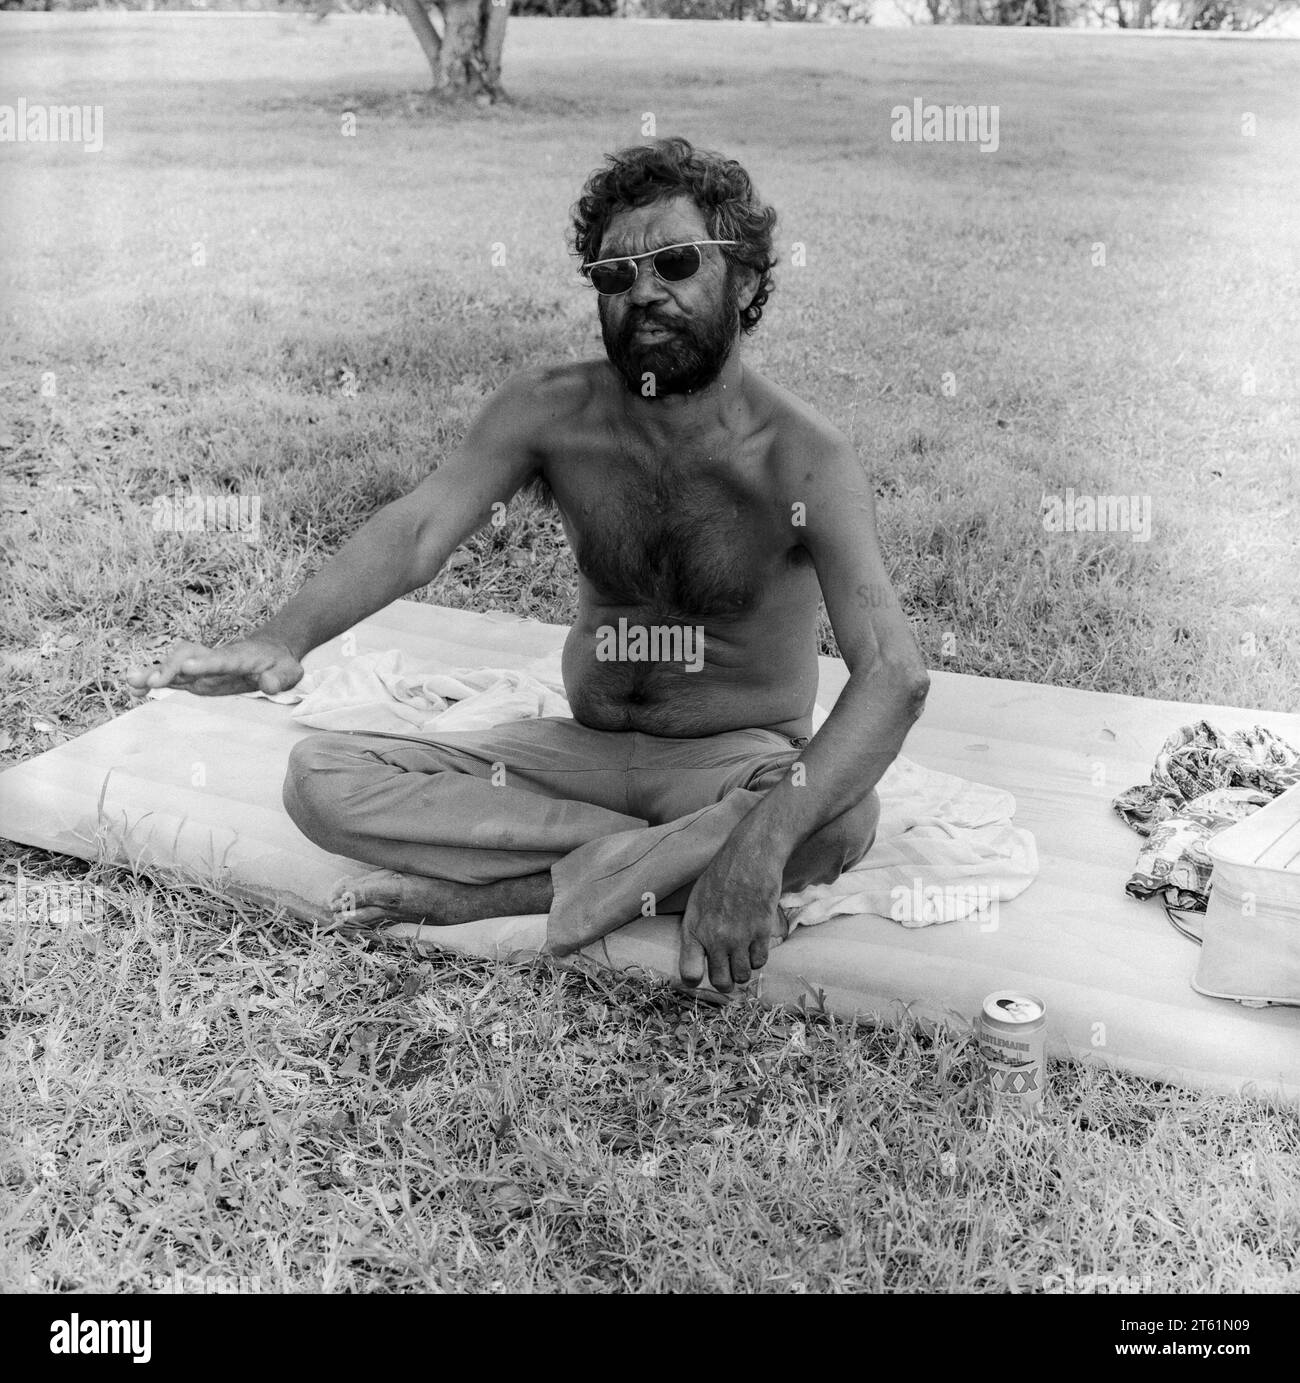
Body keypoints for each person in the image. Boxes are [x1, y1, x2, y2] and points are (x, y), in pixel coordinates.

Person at [127, 137, 929, 993]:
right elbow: (419, 529)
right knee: (318, 780)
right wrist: (282, 638)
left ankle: (500, 889)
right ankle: (646, 869)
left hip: (729, 764)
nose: (644, 291)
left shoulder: (805, 460)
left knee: (837, 819)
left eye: (676, 261)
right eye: (614, 275)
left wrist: (763, 840)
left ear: (746, 280)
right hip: (571, 755)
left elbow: (894, 674)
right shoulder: (551, 411)